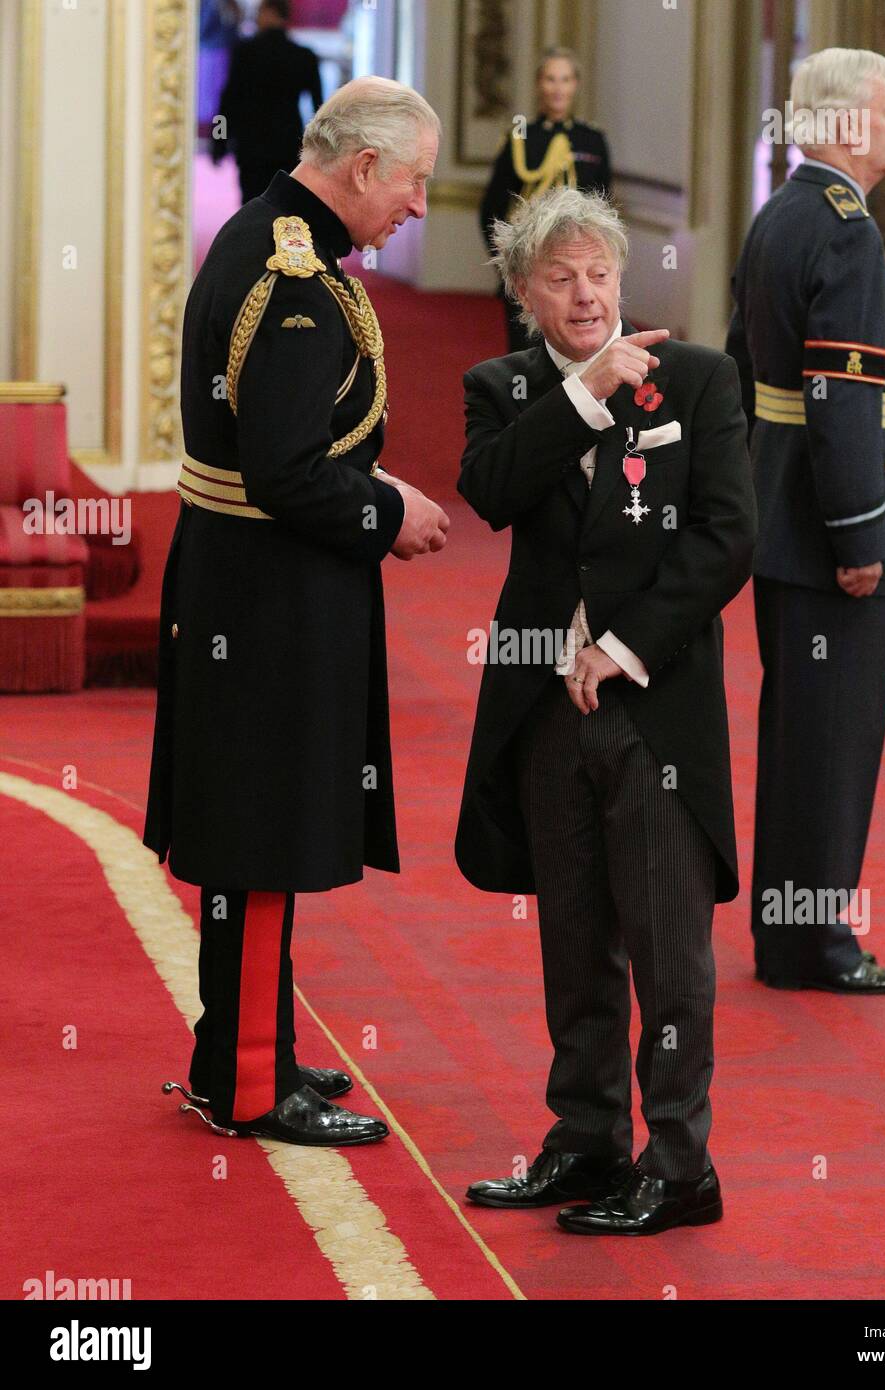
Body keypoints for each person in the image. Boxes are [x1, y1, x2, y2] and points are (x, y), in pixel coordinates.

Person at [145, 77, 449, 1146]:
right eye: (412, 181)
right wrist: (388, 510)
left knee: (251, 827)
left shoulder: (278, 236)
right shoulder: (299, 279)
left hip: (249, 584)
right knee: (262, 833)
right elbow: (285, 471)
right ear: (363, 168)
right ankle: (248, 1081)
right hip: (267, 597)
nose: (418, 205)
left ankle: (244, 1039)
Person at [456, 187, 756, 1235]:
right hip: (541, 705)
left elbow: (725, 539)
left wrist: (623, 649)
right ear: (522, 292)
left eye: (599, 275)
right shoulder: (499, 390)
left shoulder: (702, 380)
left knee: (669, 950)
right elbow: (491, 489)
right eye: (559, 278)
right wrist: (581, 394)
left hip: (654, 708)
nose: (584, 295)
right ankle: (585, 1143)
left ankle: (679, 1166)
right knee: (574, 941)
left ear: (623, 278)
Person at [726, 48, 885, 994]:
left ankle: (791, 934)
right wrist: (860, 537)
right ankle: (815, 943)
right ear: (848, 123)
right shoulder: (844, 232)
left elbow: (741, 373)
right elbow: (840, 403)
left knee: (804, 740)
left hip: (784, 522)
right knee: (833, 749)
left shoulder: (782, 214)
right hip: (831, 533)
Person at [479, 48, 612, 352]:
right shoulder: (522, 136)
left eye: (565, 79)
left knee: (579, 355)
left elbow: (605, 208)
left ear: (575, 84)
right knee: (526, 357)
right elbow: (492, 207)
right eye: (551, 79)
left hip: (580, 269)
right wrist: (507, 266)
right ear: (539, 84)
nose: (558, 88)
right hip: (531, 263)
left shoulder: (592, 139)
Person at [215, 0, 324, 205]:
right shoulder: (304, 56)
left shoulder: (245, 53)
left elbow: (228, 99)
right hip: (288, 140)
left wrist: (218, 139)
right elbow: (319, 107)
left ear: (269, 12)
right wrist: (318, 148)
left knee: (251, 202)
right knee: (283, 204)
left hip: (251, 143)